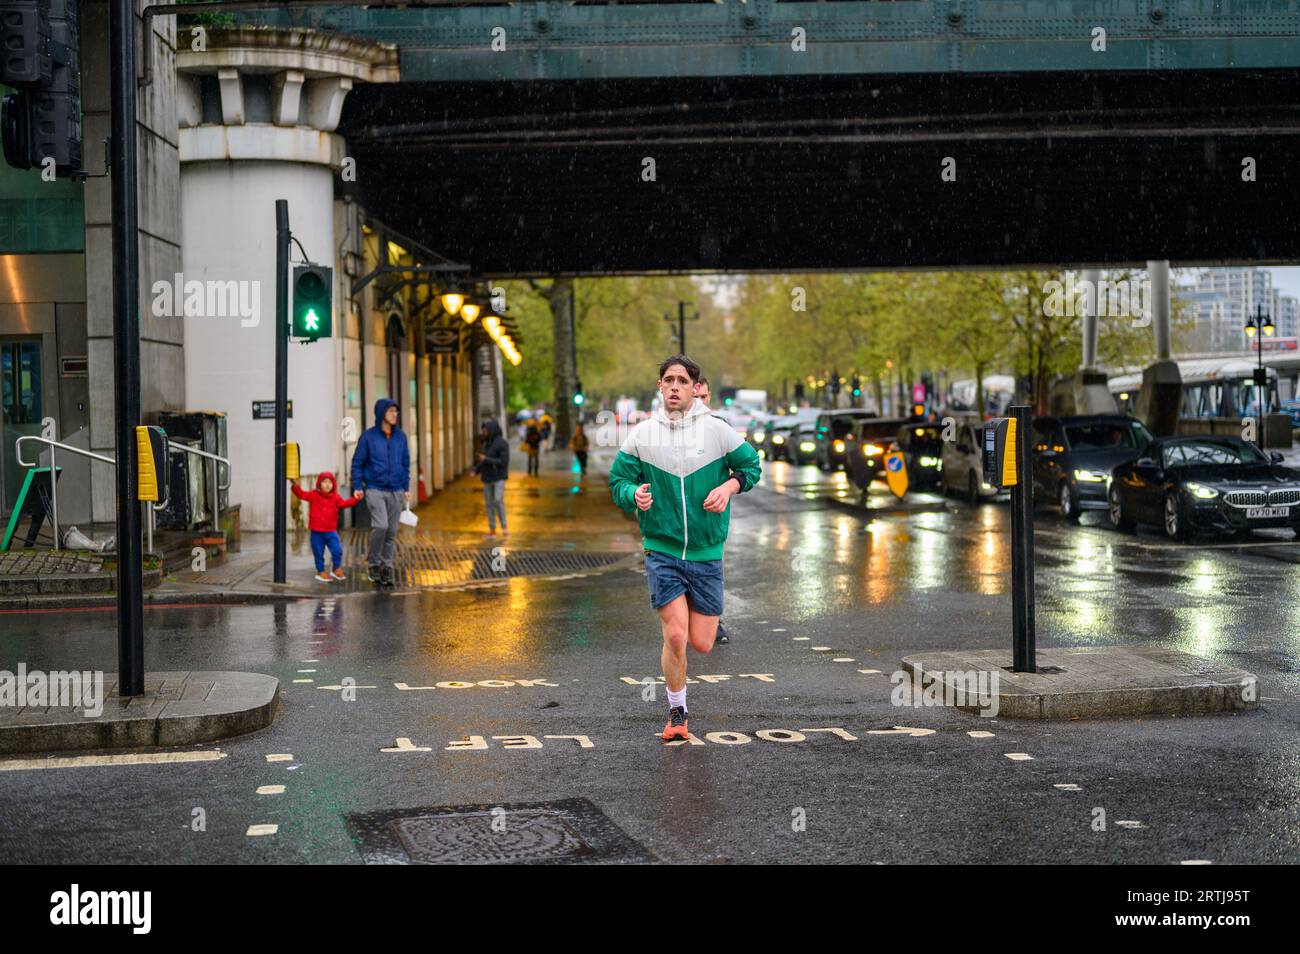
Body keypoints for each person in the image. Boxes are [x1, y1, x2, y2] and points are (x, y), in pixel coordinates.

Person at [609, 354, 761, 741]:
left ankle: (691, 629)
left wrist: (728, 488)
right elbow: (618, 481)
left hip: (707, 551)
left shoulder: (717, 431)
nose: (674, 386)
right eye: (668, 380)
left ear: (696, 388)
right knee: (675, 636)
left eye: (682, 380)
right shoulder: (643, 435)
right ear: (660, 387)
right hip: (662, 550)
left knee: (702, 643)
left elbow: (752, 466)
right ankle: (678, 713)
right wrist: (633, 494)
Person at [351, 397, 411, 587]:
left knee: (392, 532)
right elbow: (357, 463)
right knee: (381, 526)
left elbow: (405, 463)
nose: (395, 414)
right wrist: (358, 486)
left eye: (396, 411)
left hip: (396, 490)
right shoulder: (368, 437)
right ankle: (374, 563)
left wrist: (406, 487)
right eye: (391, 411)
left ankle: (386, 567)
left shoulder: (401, 437)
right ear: (381, 414)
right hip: (375, 488)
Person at [693, 375, 730, 645]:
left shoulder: (720, 428)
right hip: (677, 520)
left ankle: (714, 622)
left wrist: (728, 487)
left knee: (710, 570)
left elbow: (746, 468)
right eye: (696, 397)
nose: (700, 402)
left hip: (711, 517)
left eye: (704, 397)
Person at [290, 471, 363, 582]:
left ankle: (336, 569)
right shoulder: (313, 495)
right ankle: (321, 571)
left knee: (337, 550)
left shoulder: (335, 497)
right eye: (324, 482)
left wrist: (356, 498)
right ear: (319, 484)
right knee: (318, 552)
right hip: (316, 532)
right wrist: (295, 485)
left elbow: (345, 503)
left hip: (331, 532)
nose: (327, 484)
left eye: (330, 482)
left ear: (333, 485)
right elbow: (301, 494)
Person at [475, 418, 510, 535]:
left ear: (491, 430)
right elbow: (483, 460)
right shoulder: (486, 444)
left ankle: (504, 526)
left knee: (497, 500)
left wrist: (486, 459)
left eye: (485, 430)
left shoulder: (502, 443)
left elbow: (503, 461)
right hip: (487, 477)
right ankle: (492, 528)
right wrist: (476, 470)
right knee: (489, 503)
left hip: (499, 477)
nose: (484, 433)